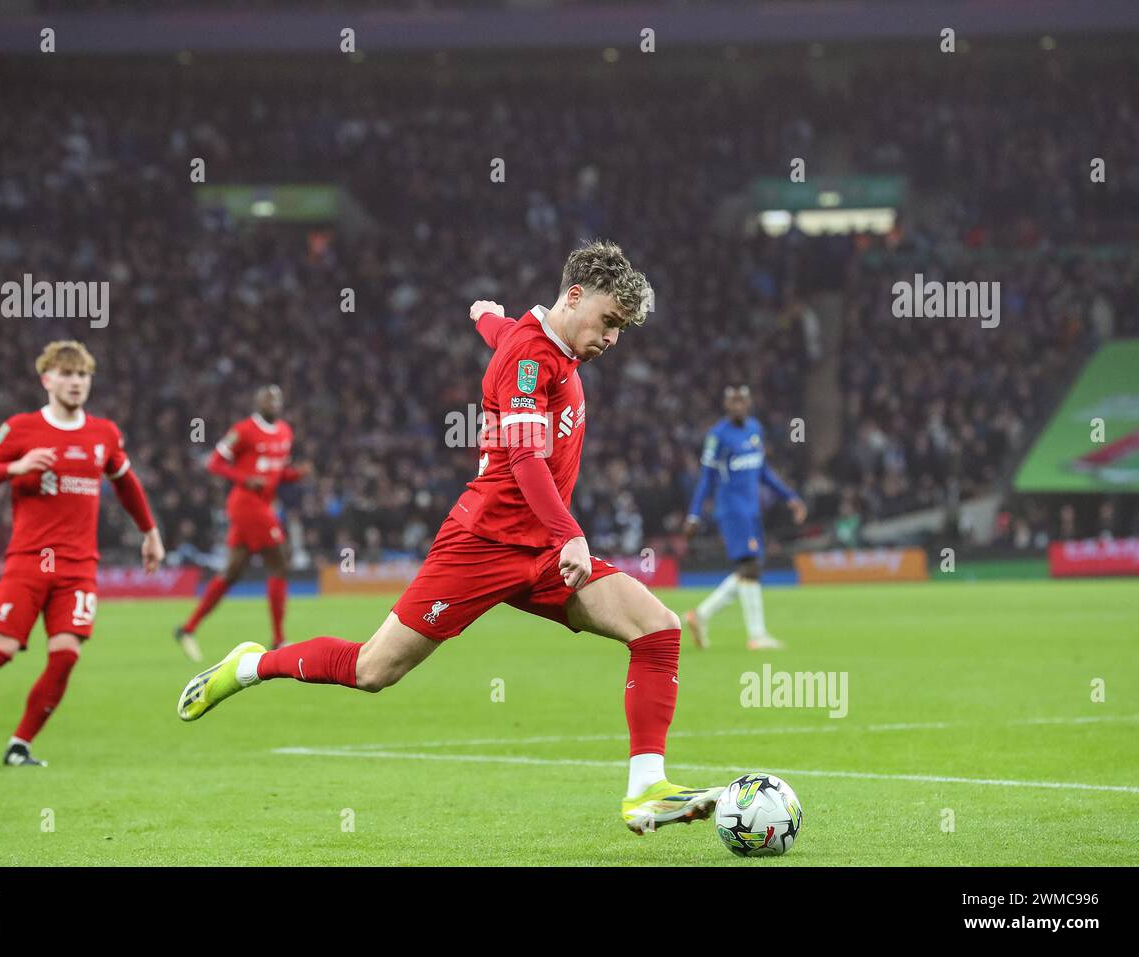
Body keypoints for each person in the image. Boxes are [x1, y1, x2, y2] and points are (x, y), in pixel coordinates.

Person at [176, 240, 723, 834]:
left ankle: (646, 790)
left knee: (658, 629)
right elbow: (523, 458)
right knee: (371, 670)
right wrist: (571, 533)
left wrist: (482, 315)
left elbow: (502, 330)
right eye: (610, 322)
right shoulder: (531, 358)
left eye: (621, 329)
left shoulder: (541, 342)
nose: (613, 339)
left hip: (541, 551)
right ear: (574, 296)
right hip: (483, 544)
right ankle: (252, 665)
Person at [0, 341, 164, 766]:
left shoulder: (104, 434)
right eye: (67, 374)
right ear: (47, 380)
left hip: (78, 567)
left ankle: (19, 745)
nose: (76, 382)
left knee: (64, 657)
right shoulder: (21, 428)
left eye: (82, 375)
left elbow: (127, 485)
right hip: (28, 560)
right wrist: (14, 468)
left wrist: (150, 533)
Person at [174, 385, 310, 661]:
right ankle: (279, 639)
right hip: (247, 504)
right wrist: (244, 479)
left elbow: (275, 472)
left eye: (277, 399)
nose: (272, 402)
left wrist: (294, 475)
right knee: (280, 562)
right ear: (257, 402)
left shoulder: (285, 431)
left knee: (232, 572)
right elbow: (214, 463)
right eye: (267, 398)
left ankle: (187, 628)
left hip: (262, 505)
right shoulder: (244, 430)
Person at [683, 385, 806, 651]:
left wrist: (790, 497)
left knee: (750, 569)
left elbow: (763, 471)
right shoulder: (718, 436)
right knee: (751, 567)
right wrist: (694, 514)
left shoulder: (754, 429)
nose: (738, 406)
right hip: (732, 510)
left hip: (751, 510)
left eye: (742, 401)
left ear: (748, 403)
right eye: (733, 402)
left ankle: (701, 615)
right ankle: (756, 635)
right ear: (726, 405)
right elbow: (707, 478)